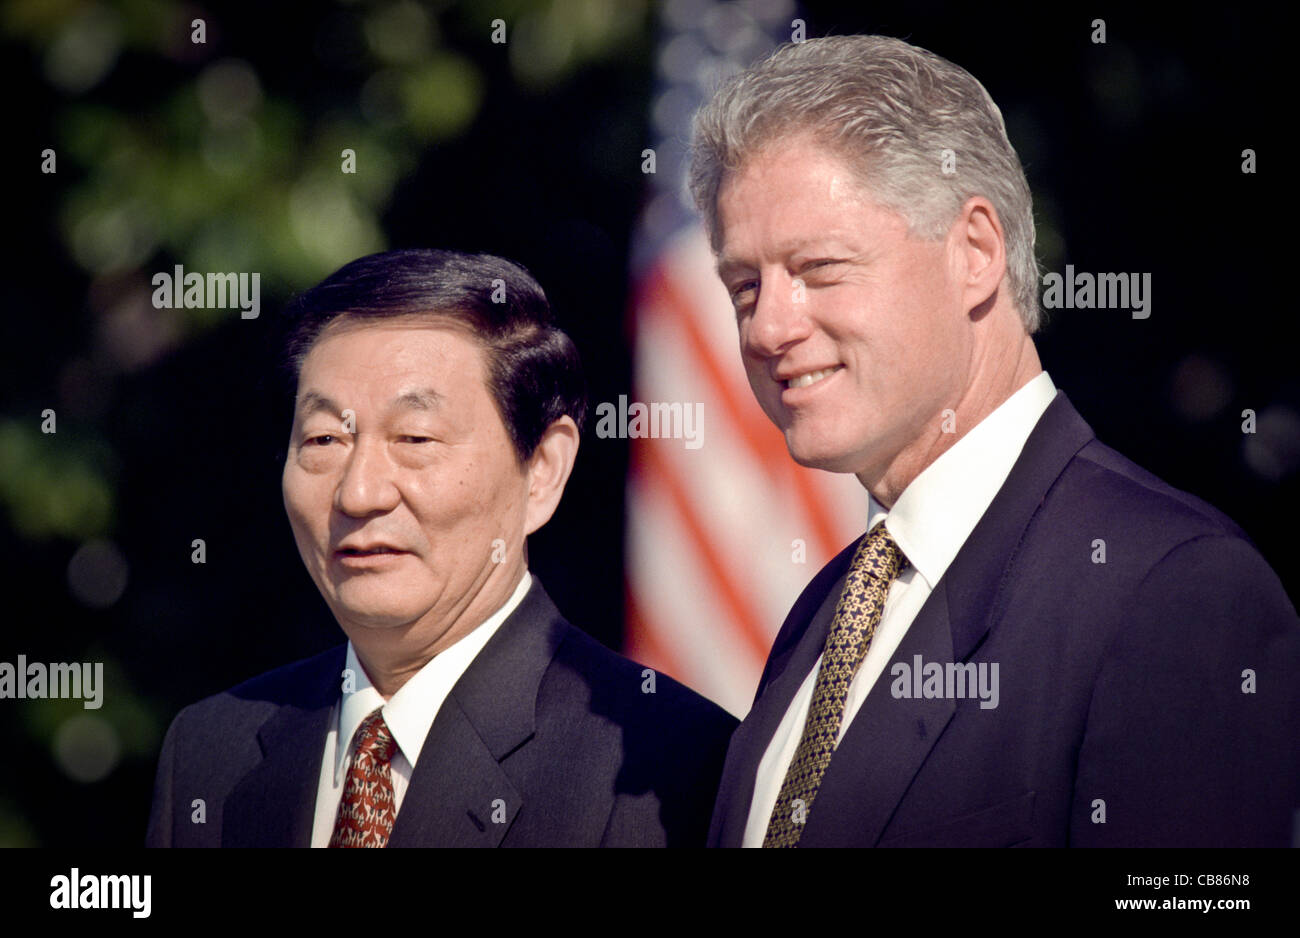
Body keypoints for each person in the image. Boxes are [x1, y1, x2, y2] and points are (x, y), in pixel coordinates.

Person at [687, 34, 1299, 847]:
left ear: (974, 254)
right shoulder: (827, 611)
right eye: (744, 286)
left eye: (820, 269)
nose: (768, 326)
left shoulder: (1172, 592)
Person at [145, 248, 736, 847]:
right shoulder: (210, 750)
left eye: (415, 437)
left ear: (543, 471)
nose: (360, 492)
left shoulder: (662, 768)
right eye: (324, 438)